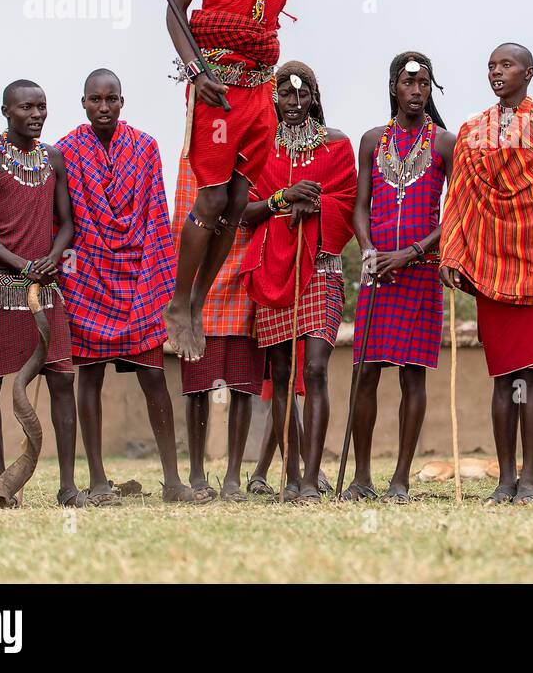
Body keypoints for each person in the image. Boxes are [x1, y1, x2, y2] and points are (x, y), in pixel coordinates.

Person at [162, 0, 296, 361]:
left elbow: (266, 25)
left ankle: (198, 302)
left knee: (239, 205)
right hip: (217, 89)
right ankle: (178, 302)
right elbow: (174, 12)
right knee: (213, 201)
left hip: (260, 93)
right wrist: (197, 72)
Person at [440, 43, 533, 505]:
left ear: (529, 72)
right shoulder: (471, 130)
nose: (497, 73)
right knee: (503, 376)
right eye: (491, 66)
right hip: (489, 265)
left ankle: (532, 480)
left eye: (506, 65)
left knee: (532, 376)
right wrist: (453, 254)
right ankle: (505, 480)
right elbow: (458, 198)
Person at [57, 69, 193, 504]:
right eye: (95, 99)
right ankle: (97, 480)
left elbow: (156, 213)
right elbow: (64, 221)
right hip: (88, 278)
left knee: (154, 377)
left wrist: (158, 280)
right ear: (83, 103)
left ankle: (173, 479)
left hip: (138, 275)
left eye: (111, 99)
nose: (103, 106)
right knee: (90, 377)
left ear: (122, 101)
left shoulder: (145, 147)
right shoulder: (65, 152)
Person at [240, 62, 356, 503]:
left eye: (301, 94)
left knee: (315, 370)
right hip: (273, 274)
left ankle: (311, 478)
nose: (293, 102)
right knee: (283, 375)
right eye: (285, 95)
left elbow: (348, 201)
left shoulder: (337, 145)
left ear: (313, 95)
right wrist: (281, 198)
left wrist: (318, 205)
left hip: (321, 271)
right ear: (274, 98)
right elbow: (245, 214)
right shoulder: (261, 150)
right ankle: (289, 477)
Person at [347, 52, 456, 503]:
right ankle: (361, 477)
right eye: (409, 84)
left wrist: (412, 253)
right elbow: (359, 206)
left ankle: (401, 478)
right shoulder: (373, 140)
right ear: (394, 87)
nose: (416, 91)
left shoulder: (447, 144)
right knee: (366, 372)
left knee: (413, 376)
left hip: (421, 272)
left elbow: (456, 212)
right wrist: (369, 249)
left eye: (424, 84)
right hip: (378, 273)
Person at [0, 81, 83, 507]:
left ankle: (68, 486)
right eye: (26, 108)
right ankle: (2, 485)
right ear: (5, 111)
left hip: (46, 287)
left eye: (42, 107)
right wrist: (20, 264)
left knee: (61, 380)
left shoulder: (53, 157)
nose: (36, 115)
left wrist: (53, 257)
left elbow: (67, 222)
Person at [170, 154, 261, 502]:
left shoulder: (256, 148)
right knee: (197, 386)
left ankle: (235, 475)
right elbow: (185, 216)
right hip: (200, 280)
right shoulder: (195, 153)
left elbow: (258, 206)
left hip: (243, 273)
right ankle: (196, 472)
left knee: (241, 384)